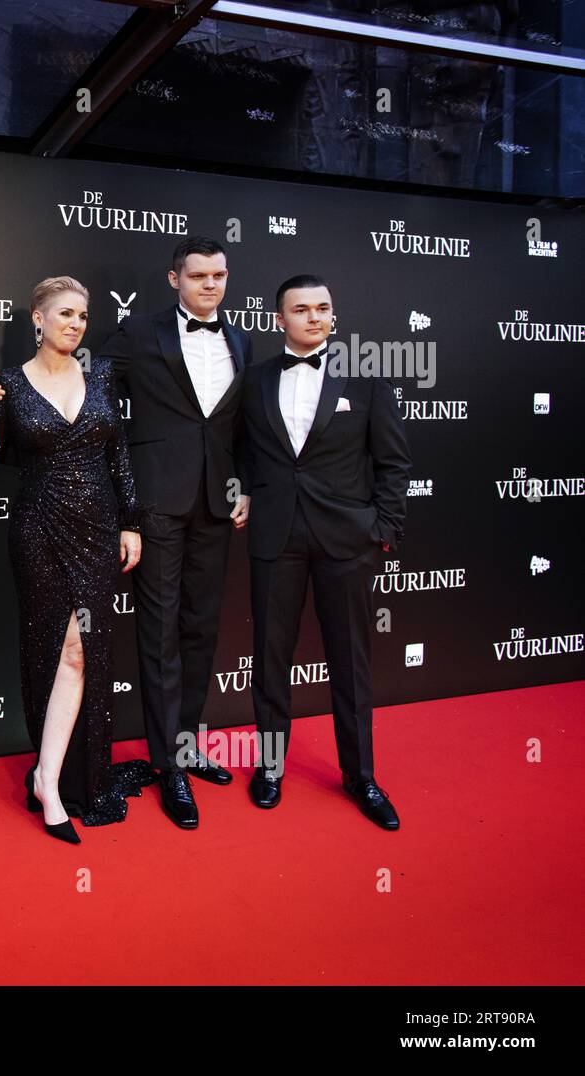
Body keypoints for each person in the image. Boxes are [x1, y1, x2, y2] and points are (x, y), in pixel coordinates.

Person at [240, 274, 410, 829]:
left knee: (351, 664)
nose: (315, 317)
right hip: (275, 537)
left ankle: (361, 776)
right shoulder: (257, 378)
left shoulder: (365, 379)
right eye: (301, 309)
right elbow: (241, 450)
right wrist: (240, 492)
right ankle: (270, 768)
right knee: (269, 658)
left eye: (323, 308)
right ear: (278, 319)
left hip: (346, 540)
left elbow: (393, 462)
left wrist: (382, 528)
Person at [0, 277, 145, 843]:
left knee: (83, 649)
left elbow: (119, 453)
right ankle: (49, 777)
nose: (76, 324)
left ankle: (52, 778)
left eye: (83, 315)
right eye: (65, 314)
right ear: (37, 319)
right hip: (38, 527)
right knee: (52, 649)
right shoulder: (6, 385)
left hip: (99, 528)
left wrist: (131, 522)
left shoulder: (99, 378)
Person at [99, 236, 252, 830]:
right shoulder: (140, 333)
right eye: (198, 276)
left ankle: (186, 746)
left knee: (199, 630)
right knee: (159, 634)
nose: (210, 284)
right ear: (174, 280)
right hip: (158, 502)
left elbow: (238, 427)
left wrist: (242, 486)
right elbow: (91, 394)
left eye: (219, 275)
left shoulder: (240, 338)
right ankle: (169, 767)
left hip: (216, 504)